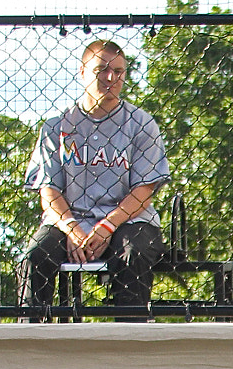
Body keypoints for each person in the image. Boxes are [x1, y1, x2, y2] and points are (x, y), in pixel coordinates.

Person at [18, 39, 173, 311]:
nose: (110, 78)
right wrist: (72, 229)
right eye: (101, 70)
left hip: (127, 221)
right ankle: (33, 334)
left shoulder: (141, 124)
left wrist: (106, 226)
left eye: (118, 72)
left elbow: (144, 191)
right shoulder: (56, 126)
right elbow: (49, 191)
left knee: (133, 254)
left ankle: (129, 335)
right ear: (82, 72)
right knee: (35, 256)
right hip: (69, 220)